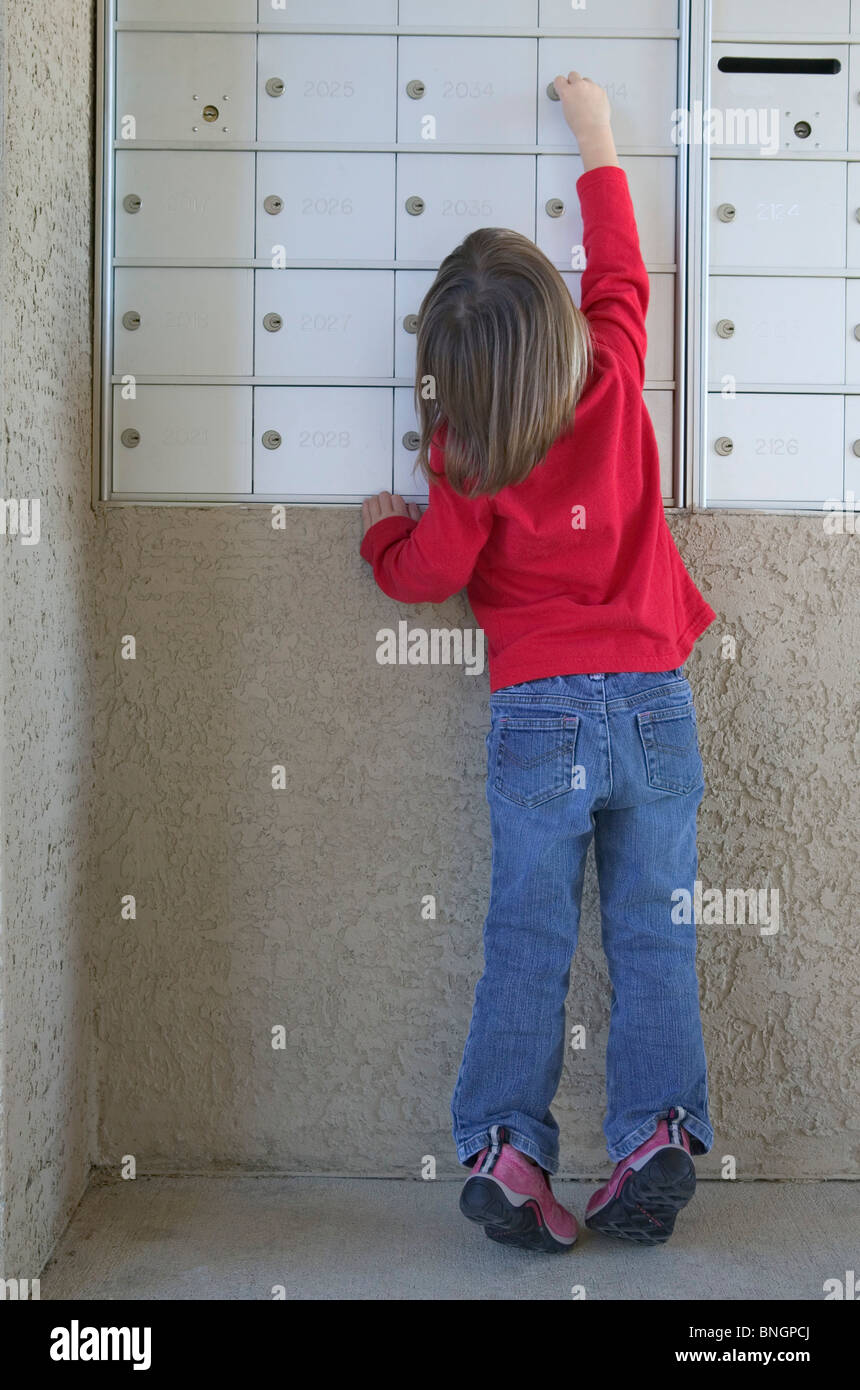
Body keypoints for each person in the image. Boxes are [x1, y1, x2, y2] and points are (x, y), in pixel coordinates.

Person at [359, 71, 715, 1252]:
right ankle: (657, 1133)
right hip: (655, 703)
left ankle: (508, 1149)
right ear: (559, 322)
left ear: (449, 385)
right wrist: (596, 130)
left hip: (537, 721)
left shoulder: (465, 455)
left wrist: (378, 532)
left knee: (528, 935)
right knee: (654, 926)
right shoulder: (611, 368)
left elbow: (423, 574)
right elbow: (621, 265)